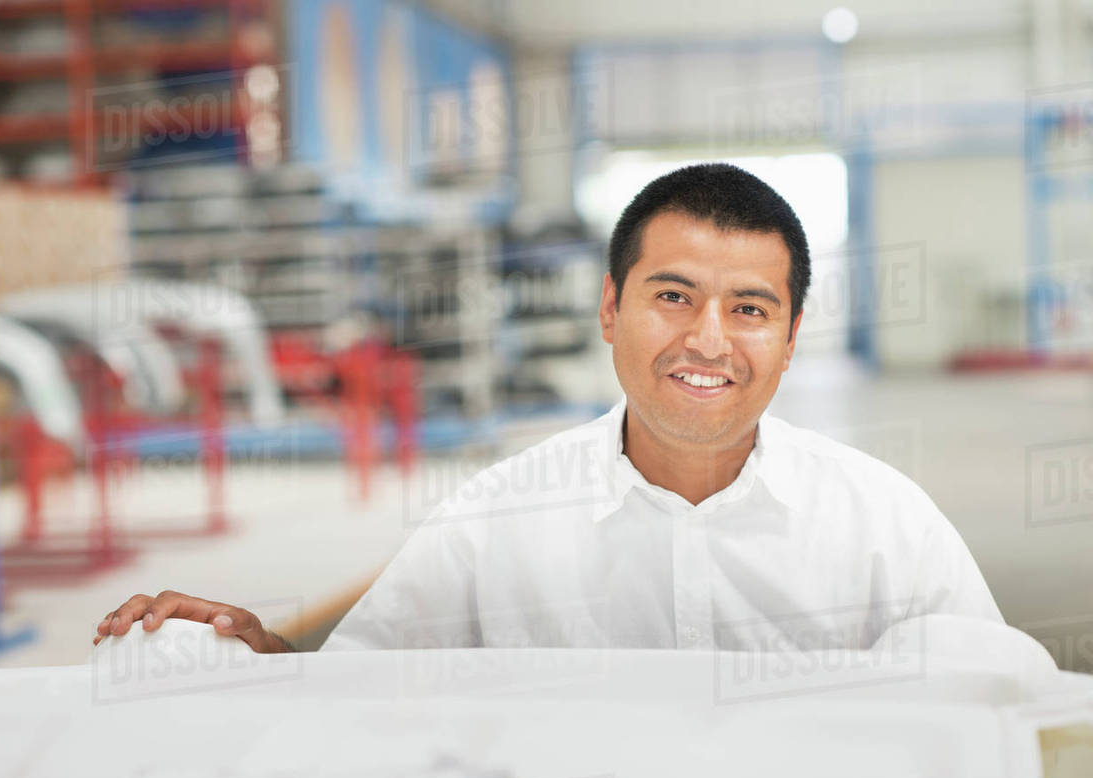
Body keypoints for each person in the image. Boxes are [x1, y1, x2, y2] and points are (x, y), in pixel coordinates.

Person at [93, 163, 1002, 654]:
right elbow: (357, 692)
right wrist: (256, 657)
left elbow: (992, 706)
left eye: (751, 309)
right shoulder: (498, 518)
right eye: (673, 296)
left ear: (793, 334)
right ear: (610, 307)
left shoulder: (884, 524)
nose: (710, 341)